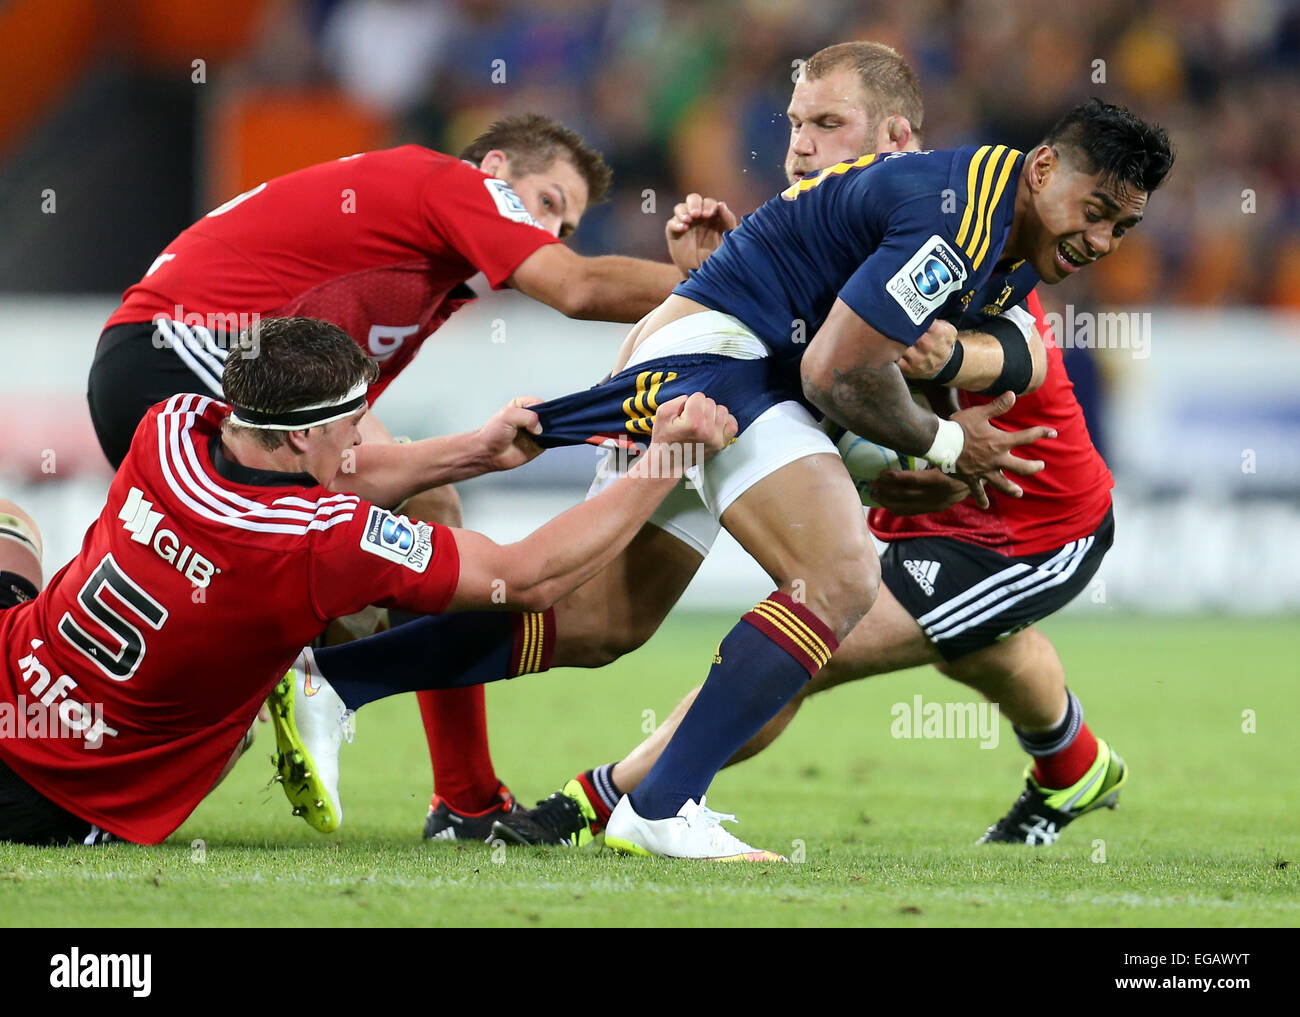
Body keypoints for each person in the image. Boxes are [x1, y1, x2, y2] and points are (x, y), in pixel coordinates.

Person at [287, 91, 1173, 860]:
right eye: (1092, 209)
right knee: (836, 580)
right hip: (724, 368)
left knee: (602, 620)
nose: (1100, 238)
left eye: (1121, 225)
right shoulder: (954, 213)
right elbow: (834, 372)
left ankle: (340, 680)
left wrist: (913, 431)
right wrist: (941, 448)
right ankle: (658, 805)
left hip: (724, 366)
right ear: (1043, 165)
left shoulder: (986, 229)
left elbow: (966, 354)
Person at [493, 43, 1125, 850]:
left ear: (897, 144)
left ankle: (594, 801)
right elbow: (819, 366)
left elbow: (999, 352)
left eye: (828, 124)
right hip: (935, 499)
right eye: (794, 123)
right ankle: (1075, 766)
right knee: (975, 648)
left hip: (1023, 526)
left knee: (813, 640)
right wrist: (712, 273)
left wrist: (956, 364)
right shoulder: (876, 233)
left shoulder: (960, 237)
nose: (797, 146)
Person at [85, 113, 732, 841]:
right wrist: (734, 285)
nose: (551, 232)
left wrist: (472, 453)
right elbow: (577, 288)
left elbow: (353, 469)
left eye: (569, 224)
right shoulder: (449, 184)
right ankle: (315, 687)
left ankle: (462, 797)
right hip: (182, 346)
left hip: (169, 355)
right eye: (548, 202)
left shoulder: (419, 276)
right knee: (343, 573)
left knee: (419, 513)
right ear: (495, 170)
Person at [0, 317, 735, 845]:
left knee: (11, 524)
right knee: (283, 680)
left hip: (17, 672)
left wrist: (466, 452)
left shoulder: (171, 426)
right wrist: (665, 459)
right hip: (67, 795)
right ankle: (355, 707)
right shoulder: (319, 542)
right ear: (298, 436)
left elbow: (329, 474)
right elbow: (530, 575)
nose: (361, 435)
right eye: (352, 419)